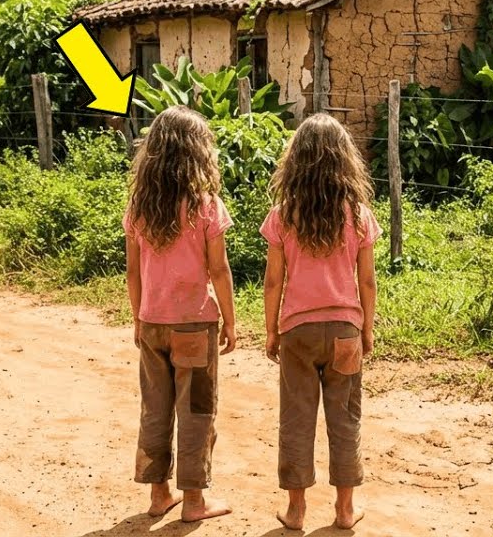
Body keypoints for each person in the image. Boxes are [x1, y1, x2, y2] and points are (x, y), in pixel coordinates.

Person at [261, 113, 380, 531]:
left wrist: (272, 329)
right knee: (345, 418)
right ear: (343, 159)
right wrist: (365, 330)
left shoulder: (283, 214)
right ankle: (345, 510)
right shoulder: (359, 214)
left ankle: (295, 511)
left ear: (296, 160)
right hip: (345, 330)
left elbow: (274, 279)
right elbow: (366, 279)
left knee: (296, 417)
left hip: (297, 330)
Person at [124, 106, 237, 523]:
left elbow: (133, 271)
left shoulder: (139, 205)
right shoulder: (206, 206)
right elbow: (219, 269)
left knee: (155, 406)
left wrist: (139, 318)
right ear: (197, 152)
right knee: (197, 410)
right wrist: (230, 319)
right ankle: (193, 501)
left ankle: (158, 495)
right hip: (195, 322)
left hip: (152, 321)